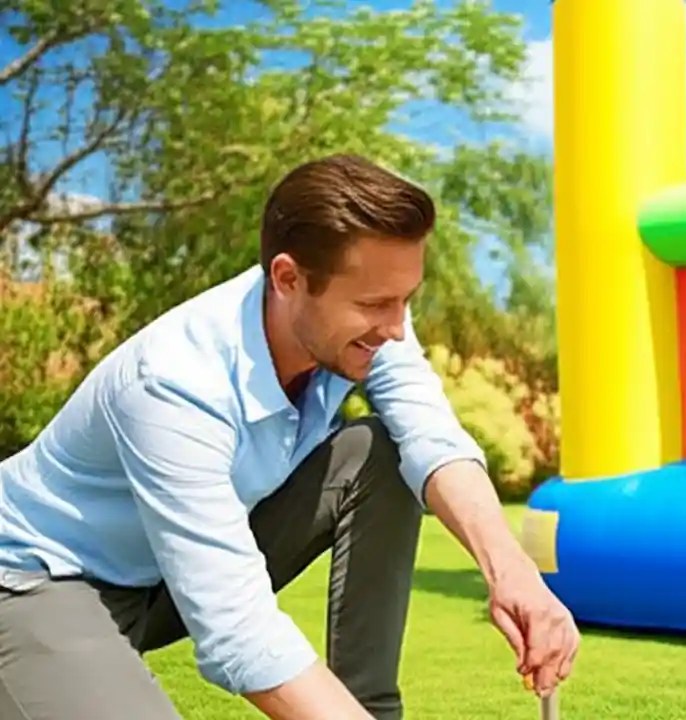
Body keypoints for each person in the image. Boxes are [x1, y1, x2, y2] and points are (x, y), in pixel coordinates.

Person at [0, 153, 579, 719]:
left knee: (379, 452)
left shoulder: (362, 329)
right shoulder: (172, 383)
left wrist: (513, 572)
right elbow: (238, 627)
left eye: (406, 301)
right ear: (287, 278)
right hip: (40, 581)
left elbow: (432, 436)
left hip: (158, 580)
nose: (397, 328)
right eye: (376, 304)